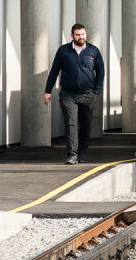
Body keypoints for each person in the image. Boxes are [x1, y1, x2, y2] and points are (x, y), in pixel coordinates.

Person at [42, 22, 105, 165]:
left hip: (88, 95)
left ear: (86, 34)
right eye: (78, 35)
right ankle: (72, 155)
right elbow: (54, 71)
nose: (81, 37)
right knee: (71, 124)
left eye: (83, 34)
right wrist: (48, 90)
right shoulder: (64, 51)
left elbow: (101, 71)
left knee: (86, 125)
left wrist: (97, 91)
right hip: (68, 94)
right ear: (72, 36)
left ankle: (82, 153)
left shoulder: (93, 51)